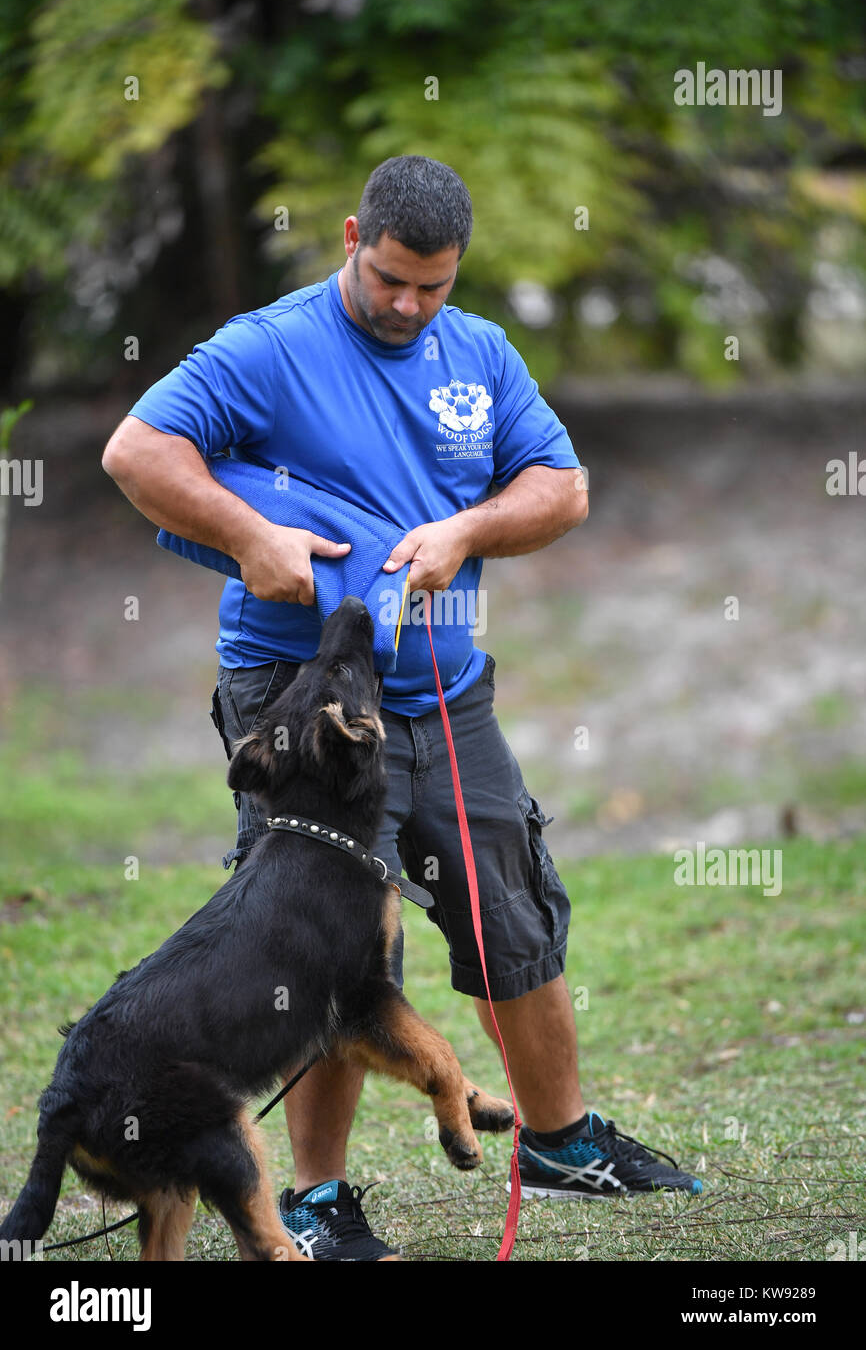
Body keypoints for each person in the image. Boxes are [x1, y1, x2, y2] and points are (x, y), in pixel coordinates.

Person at [102, 155, 701, 1262]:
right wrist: (251, 538)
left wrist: (467, 533)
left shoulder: (477, 352)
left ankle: (559, 1146)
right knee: (321, 939)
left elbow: (559, 487)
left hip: (445, 690)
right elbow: (136, 451)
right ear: (348, 238)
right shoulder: (268, 347)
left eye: (432, 285)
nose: (408, 305)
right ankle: (322, 1204)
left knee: (515, 908)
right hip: (301, 699)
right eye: (388, 279)